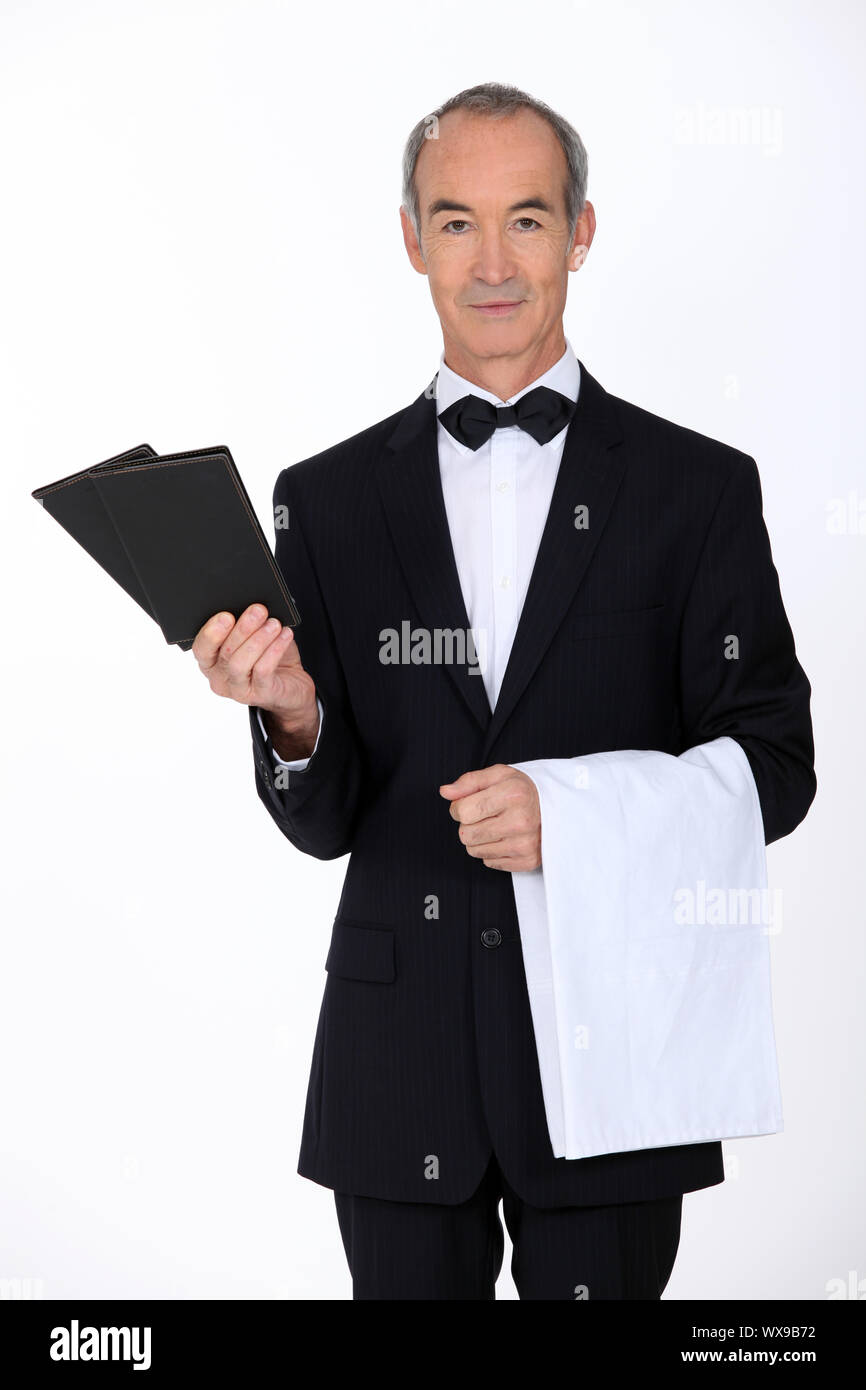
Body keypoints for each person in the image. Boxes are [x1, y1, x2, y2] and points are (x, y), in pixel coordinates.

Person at [192, 82, 816, 1300]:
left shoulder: (696, 490)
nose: (490, 262)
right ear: (410, 238)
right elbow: (324, 821)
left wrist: (568, 814)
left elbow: (775, 768)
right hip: (397, 1053)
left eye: (525, 220)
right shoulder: (319, 499)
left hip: (613, 1057)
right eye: (456, 220)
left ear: (580, 232)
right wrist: (293, 718)